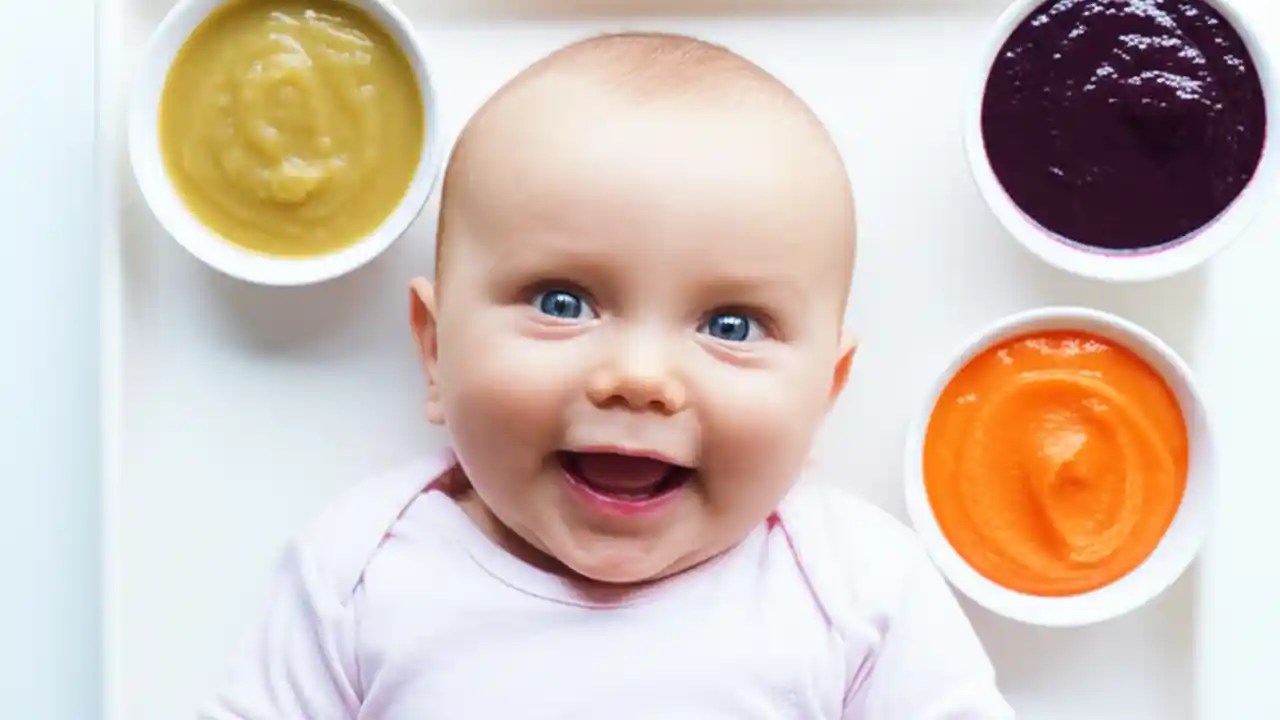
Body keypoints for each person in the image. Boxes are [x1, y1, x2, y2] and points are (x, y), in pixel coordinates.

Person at [200, 31, 1013, 719]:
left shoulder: (860, 589)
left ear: (822, 399)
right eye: (562, 303)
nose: (639, 376)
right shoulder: (359, 572)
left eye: (730, 326)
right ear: (436, 351)